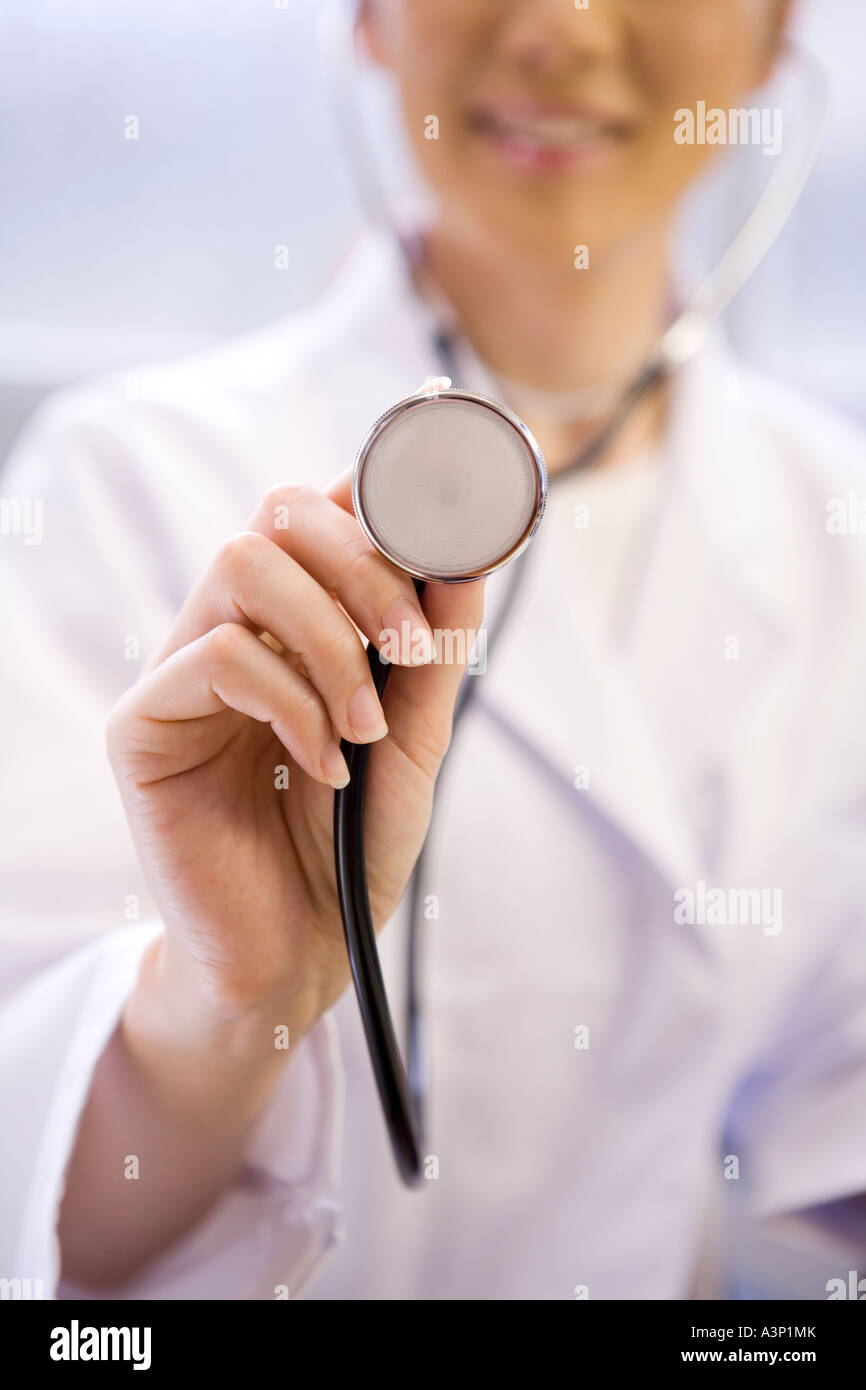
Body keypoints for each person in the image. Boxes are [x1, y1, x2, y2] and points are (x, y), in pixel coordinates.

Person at [2, 0, 866, 1301]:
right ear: (367, 19)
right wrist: (230, 1005)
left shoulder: (835, 524)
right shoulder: (120, 479)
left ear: (771, 34)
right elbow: (46, 1219)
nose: (566, 31)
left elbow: (832, 1111)